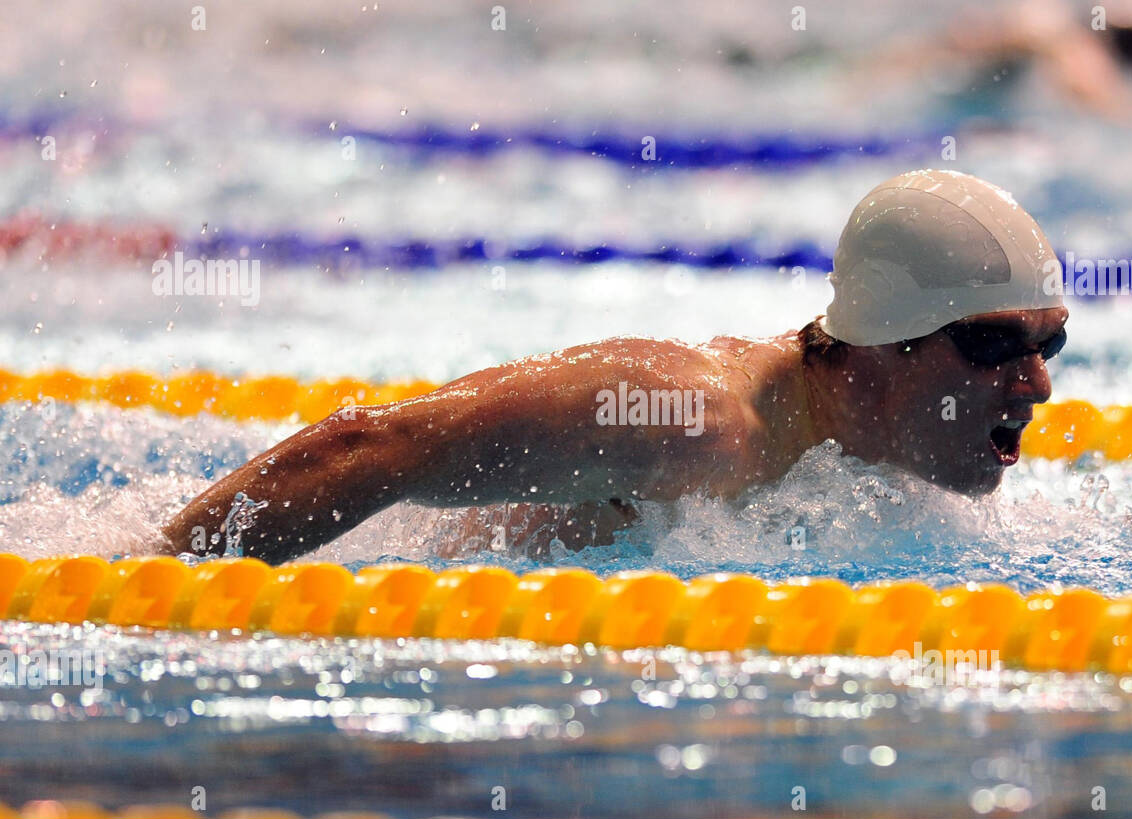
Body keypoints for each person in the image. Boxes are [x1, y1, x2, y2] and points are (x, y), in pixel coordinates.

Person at [156, 169, 1068, 564]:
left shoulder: (896, 453)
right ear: (881, 340)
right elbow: (383, 441)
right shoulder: (685, 418)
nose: (1036, 384)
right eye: (992, 345)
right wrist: (149, 577)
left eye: (1047, 344)